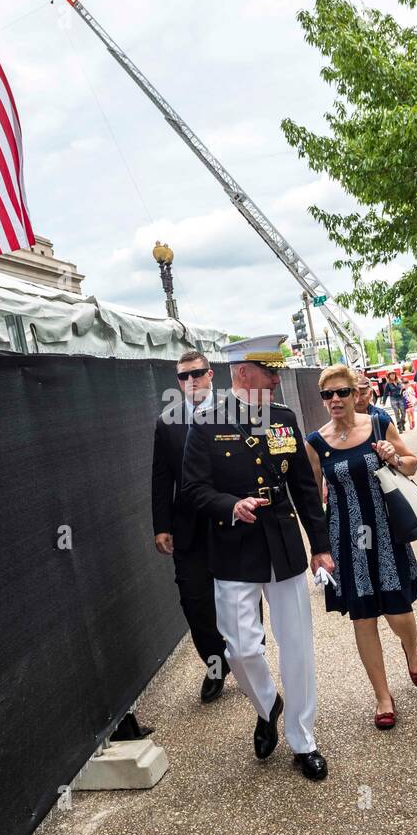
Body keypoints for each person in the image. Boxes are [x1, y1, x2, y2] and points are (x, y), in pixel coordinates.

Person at [181, 334, 335, 781]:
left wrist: (320, 546)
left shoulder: (284, 418)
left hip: (283, 546)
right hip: (233, 548)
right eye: (268, 370)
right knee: (241, 648)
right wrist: (229, 505)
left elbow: (305, 488)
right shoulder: (207, 422)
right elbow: (192, 489)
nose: (275, 377)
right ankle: (268, 706)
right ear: (242, 372)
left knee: (298, 648)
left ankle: (303, 739)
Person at [305, 365, 417, 730]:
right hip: (347, 537)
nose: (336, 400)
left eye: (342, 392)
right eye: (328, 395)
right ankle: (382, 696)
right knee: (363, 616)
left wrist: (392, 455)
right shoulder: (316, 442)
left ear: (355, 393)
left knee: (398, 609)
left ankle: (411, 647)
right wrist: (319, 548)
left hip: (385, 530)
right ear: (323, 399)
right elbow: (311, 498)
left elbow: (412, 465)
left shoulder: (377, 425)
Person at [152, 350, 230, 703]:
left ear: (210, 374)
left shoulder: (236, 413)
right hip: (187, 528)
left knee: (237, 595)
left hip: (230, 522)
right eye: (183, 377)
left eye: (196, 374)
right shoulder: (166, 422)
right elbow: (160, 477)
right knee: (195, 601)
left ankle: (248, 658)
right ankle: (216, 666)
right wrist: (161, 525)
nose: (190, 381)